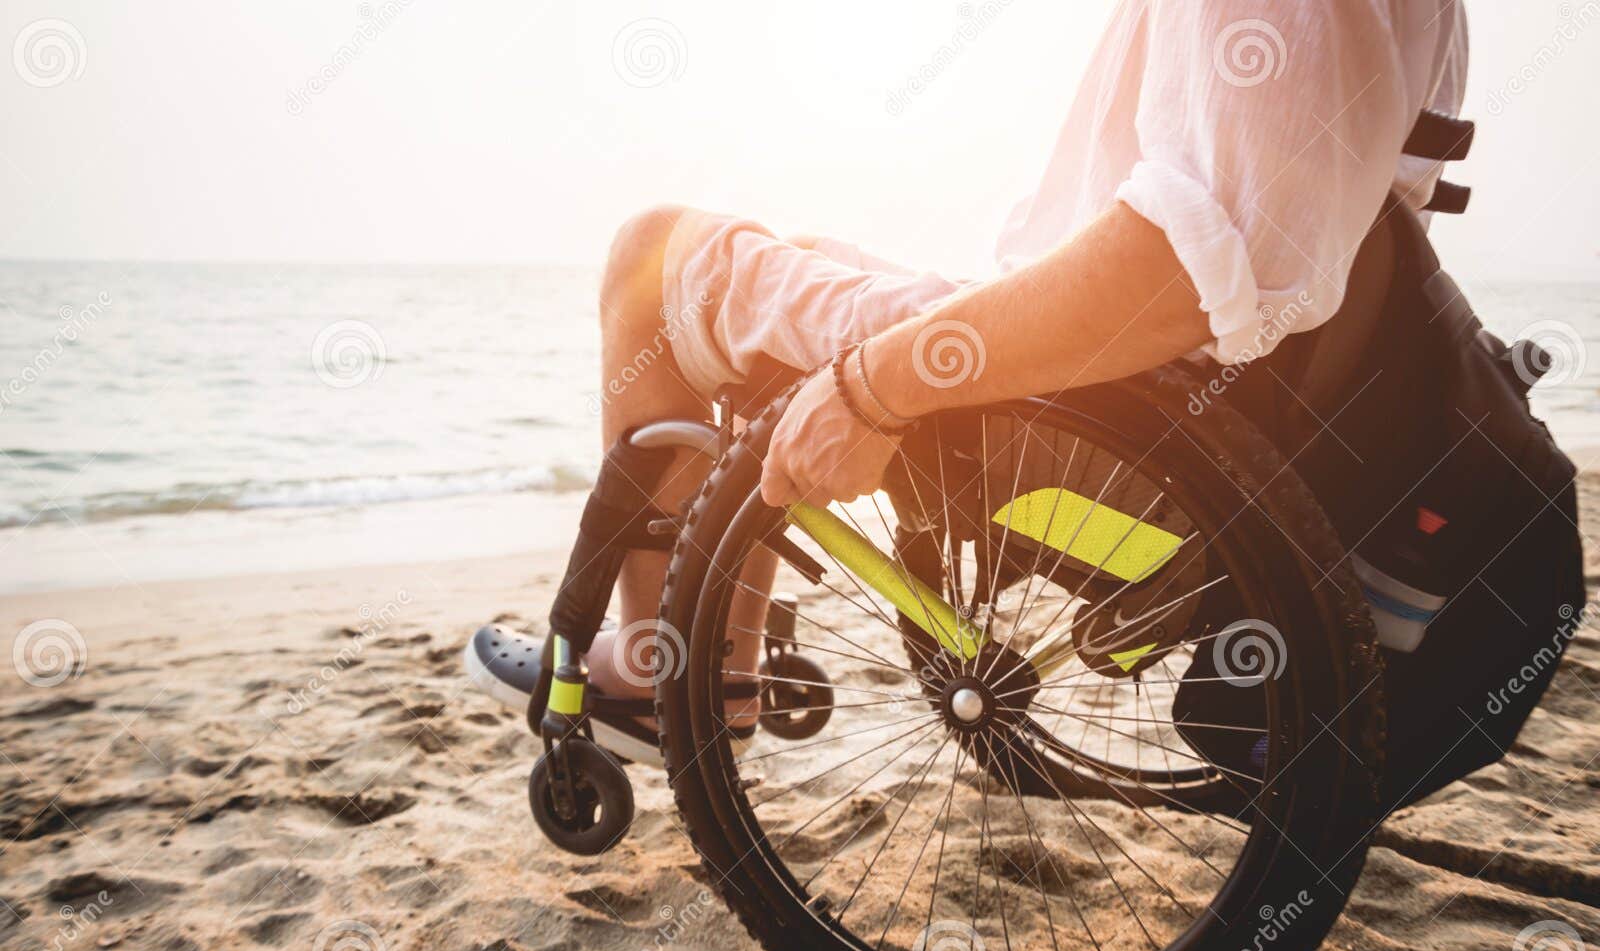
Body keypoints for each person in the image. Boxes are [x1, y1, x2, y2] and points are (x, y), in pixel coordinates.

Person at [469, 0, 1467, 763]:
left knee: (653, 256)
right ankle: (714, 672)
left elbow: (1183, 276)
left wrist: (872, 388)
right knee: (798, 264)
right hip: (1203, 430)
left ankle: (655, 673)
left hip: (1113, 430)